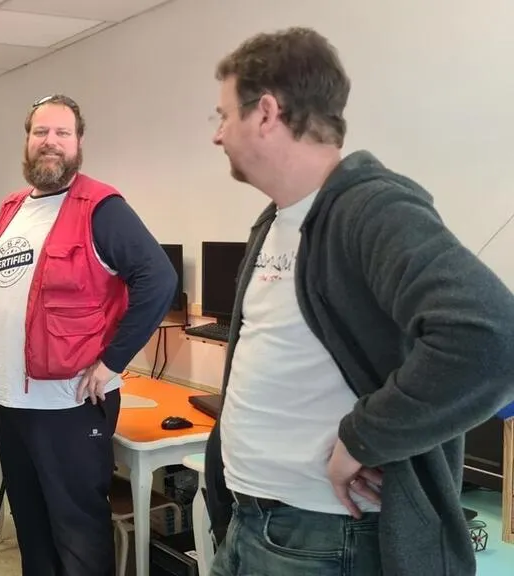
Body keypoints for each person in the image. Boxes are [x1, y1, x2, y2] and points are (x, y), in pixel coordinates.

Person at [204, 27, 514, 576]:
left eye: (223, 115)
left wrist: (362, 436)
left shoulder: (369, 206)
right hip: (253, 523)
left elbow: (491, 337)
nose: (218, 134)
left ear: (267, 112)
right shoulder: (278, 220)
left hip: (325, 540)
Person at [0, 94, 177, 575]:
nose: (50, 142)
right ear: (27, 140)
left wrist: (113, 361)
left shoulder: (102, 207)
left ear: (79, 143)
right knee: (32, 529)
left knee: (77, 533)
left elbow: (159, 279)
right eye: (41, 132)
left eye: (62, 133)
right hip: (11, 400)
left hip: (68, 403)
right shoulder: (12, 208)